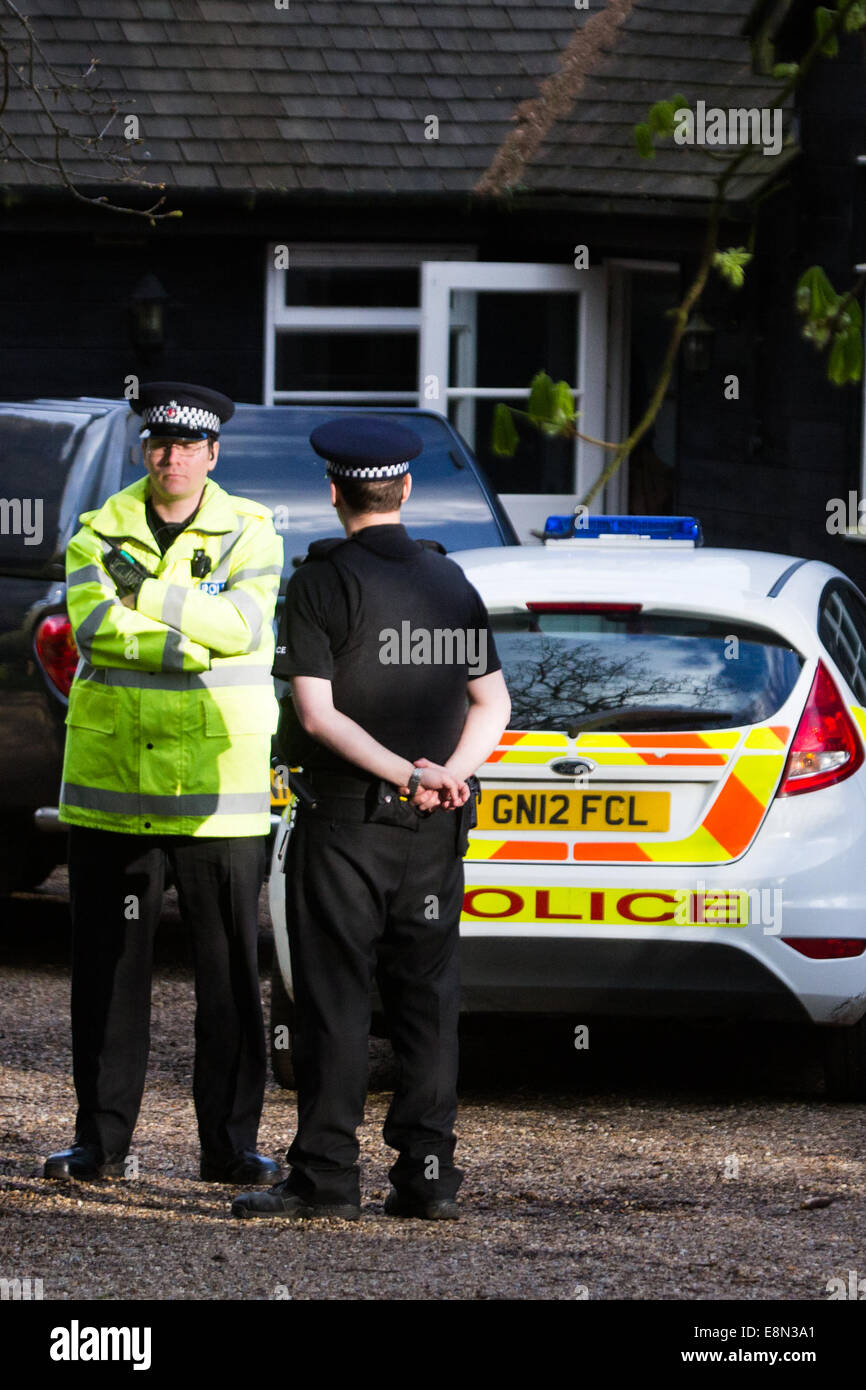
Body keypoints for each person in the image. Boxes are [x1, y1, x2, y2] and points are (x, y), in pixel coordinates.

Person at [231, 415, 511, 1223]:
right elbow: (491, 701)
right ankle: (428, 1180)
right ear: (407, 490)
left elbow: (316, 717)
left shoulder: (321, 582)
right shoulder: (449, 582)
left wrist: (403, 774)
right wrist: (447, 777)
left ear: (334, 492)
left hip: (348, 827)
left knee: (334, 1002)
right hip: (434, 831)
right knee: (426, 1003)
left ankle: (325, 1180)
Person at [44, 382, 284, 1185]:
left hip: (220, 798)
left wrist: (145, 593)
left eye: (187, 446)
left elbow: (245, 629)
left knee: (227, 986)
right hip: (113, 790)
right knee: (108, 981)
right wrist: (193, 630)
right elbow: (95, 633)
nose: (171, 457)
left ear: (213, 454)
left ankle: (230, 1149)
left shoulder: (252, 531)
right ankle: (100, 1146)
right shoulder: (94, 532)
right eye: (158, 445)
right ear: (144, 450)